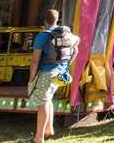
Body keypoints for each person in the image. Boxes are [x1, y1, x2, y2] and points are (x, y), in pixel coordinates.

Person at [28, 10, 79, 143]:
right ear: (57, 20)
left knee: (42, 102)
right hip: (60, 72)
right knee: (49, 98)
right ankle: (49, 129)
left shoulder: (42, 36)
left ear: (45, 21)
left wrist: (31, 78)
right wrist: (66, 66)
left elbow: (35, 60)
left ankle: (39, 137)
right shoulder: (65, 33)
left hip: (45, 71)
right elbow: (75, 51)